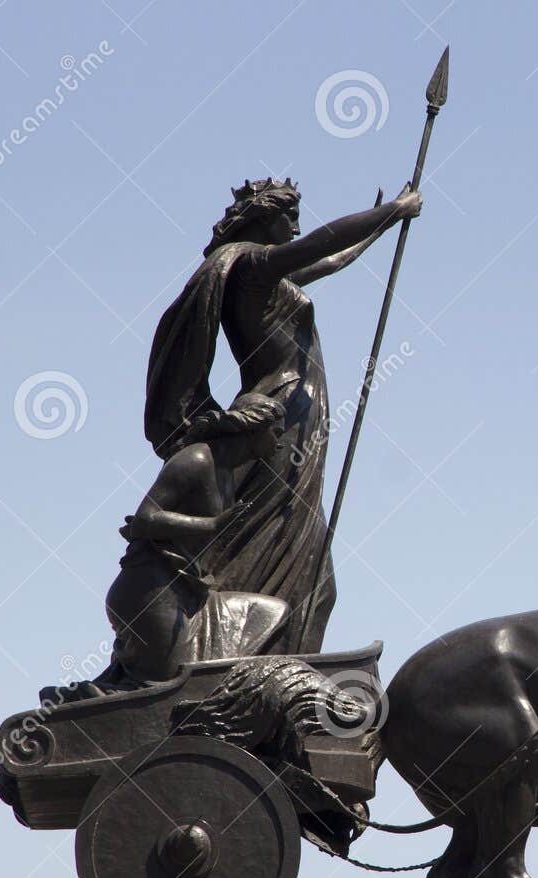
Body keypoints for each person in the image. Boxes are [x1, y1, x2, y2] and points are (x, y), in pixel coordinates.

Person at [142, 177, 421, 654]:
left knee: (306, 555)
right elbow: (322, 241)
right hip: (282, 413)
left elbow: (329, 257)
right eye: (287, 215)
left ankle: (282, 657)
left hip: (300, 413)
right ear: (261, 217)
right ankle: (248, 654)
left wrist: (378, 230)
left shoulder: (269, 275)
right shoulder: (253, 264)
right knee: (286, 546)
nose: (295, 225)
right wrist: (392, 211)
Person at [102, 394, 288, 686]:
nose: (278, 443)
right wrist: (212, 524)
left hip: (191, 593)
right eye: (276, 432)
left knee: (271, 613)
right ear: (254, 426)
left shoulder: (226, 475)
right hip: (151, 591)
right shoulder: (197, 458)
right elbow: (144, 520)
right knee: (168, 687)